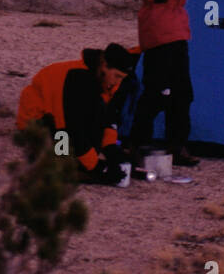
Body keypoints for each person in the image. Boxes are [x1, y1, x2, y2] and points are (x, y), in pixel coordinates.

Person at [125, 0, 203, 171]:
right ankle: (136, 143)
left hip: (175, 24)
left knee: (182, 90)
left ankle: (176, 145)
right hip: (159, 26)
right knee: (157, 90)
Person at [15, 42, 137, 184]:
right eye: (117, 76)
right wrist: (96, 167)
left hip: (62, 122)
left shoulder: (105, 80)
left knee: (95, 122)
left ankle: (77, 164)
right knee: (62, 165)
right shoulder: (77, 79)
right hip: (38, 120)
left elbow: (108, 116)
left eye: (121, 77)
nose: (117, 82)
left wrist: (110, 148)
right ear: (104, 66)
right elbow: (68, 127)